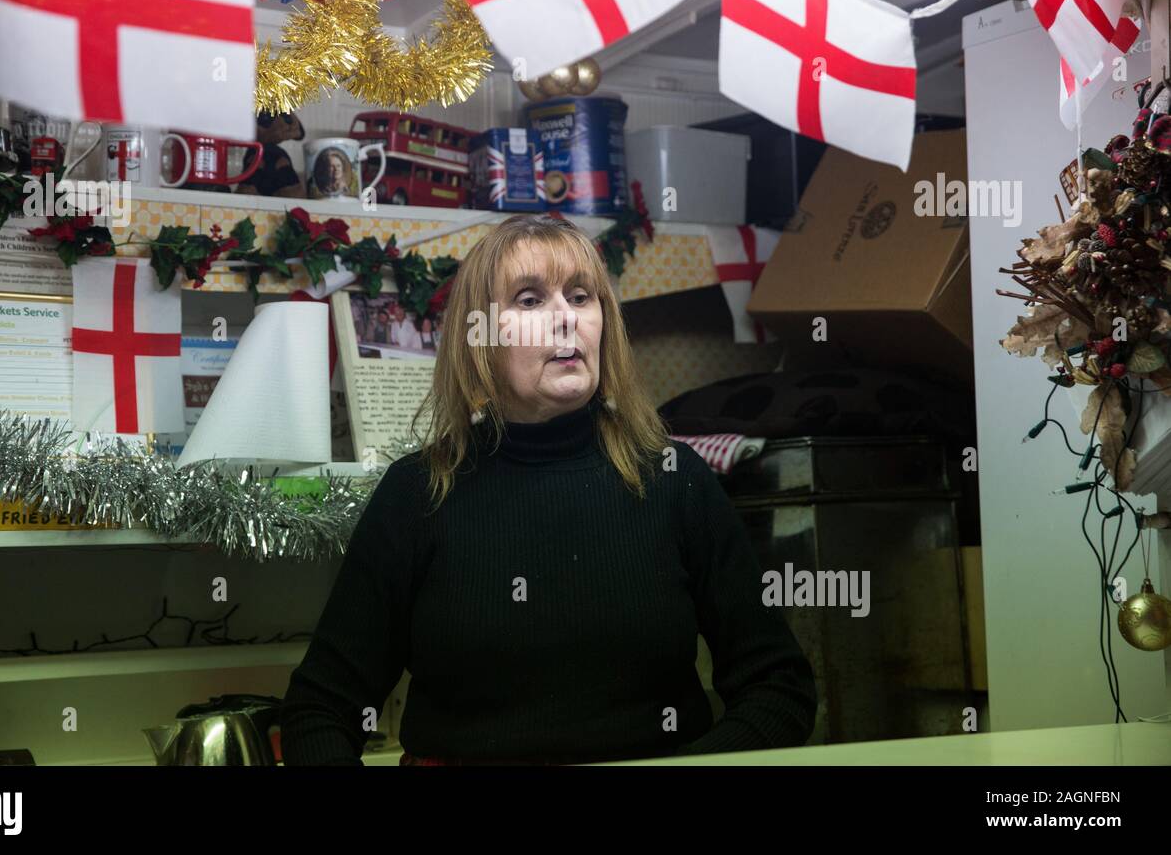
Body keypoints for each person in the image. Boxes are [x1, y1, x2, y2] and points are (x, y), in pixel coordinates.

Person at [280, 212, 817, 765]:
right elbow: (320, 710)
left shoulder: (675, 481)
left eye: (582, 297)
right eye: (530, 300)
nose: (566, 319)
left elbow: (778, 689)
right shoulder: (418, 492)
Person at [237, 112, 307, 198]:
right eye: (266, 119)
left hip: (277, 192)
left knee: (285, 172)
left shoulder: (278, 154)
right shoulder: (255, 153)